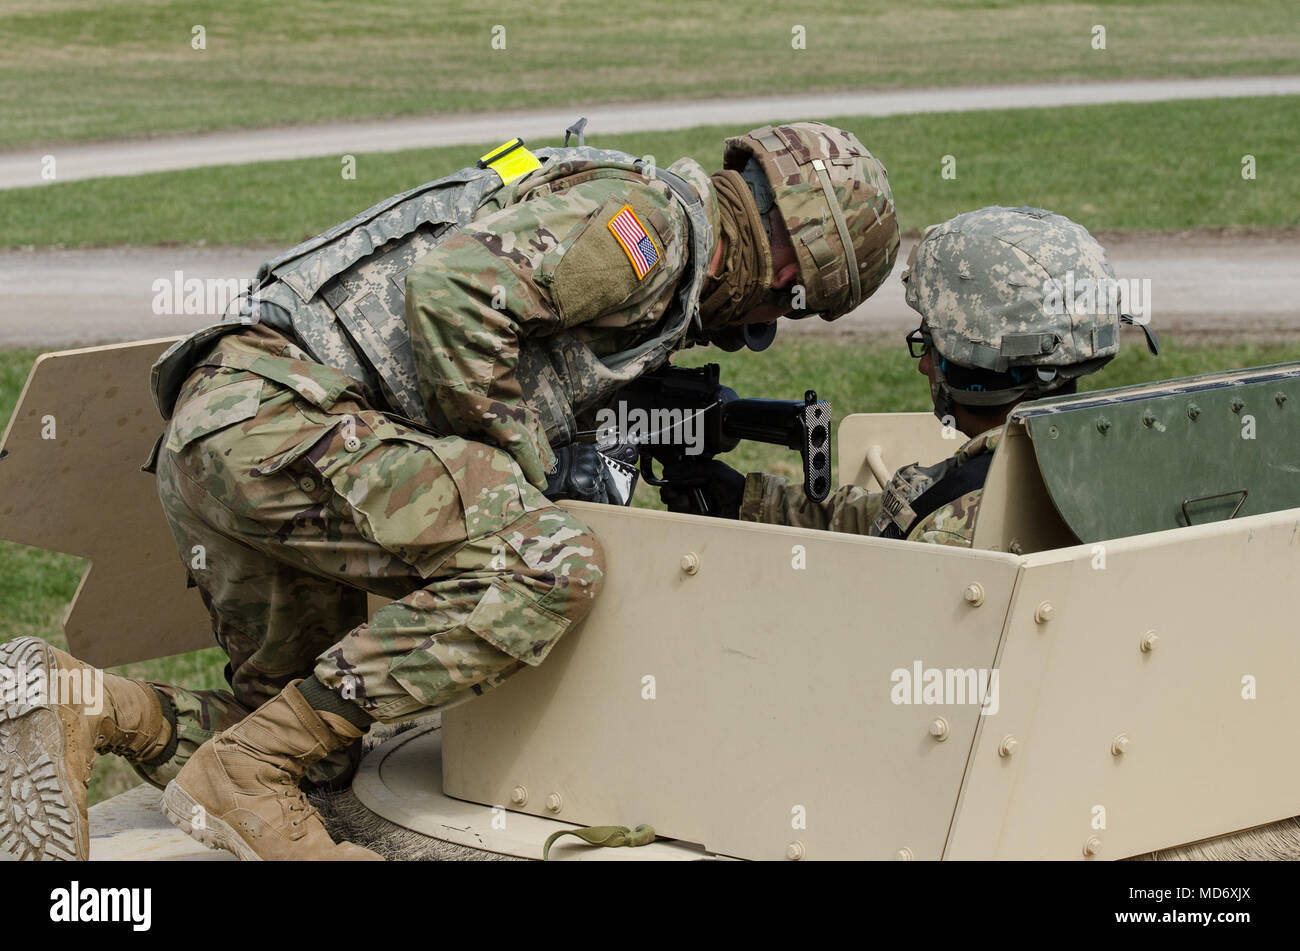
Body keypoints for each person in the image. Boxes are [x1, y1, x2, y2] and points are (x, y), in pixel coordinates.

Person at [0, 122, 899, 861]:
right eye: (782, 313)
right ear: (793, 275)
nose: (758, 325)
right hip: (282, 421)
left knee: (298, 735)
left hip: (228, 423)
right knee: (544, 562)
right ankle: (245, 776)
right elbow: (454, 293)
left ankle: (79, 705)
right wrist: (522, 466)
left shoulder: (612, 196)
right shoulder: (653, 230)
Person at [665, 205, 1156, 545]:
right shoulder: (1130, 465)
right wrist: (747, 500)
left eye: (933, 345)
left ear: (973, 360)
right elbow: (890, 514)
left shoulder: (948, 523)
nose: (924, 363)